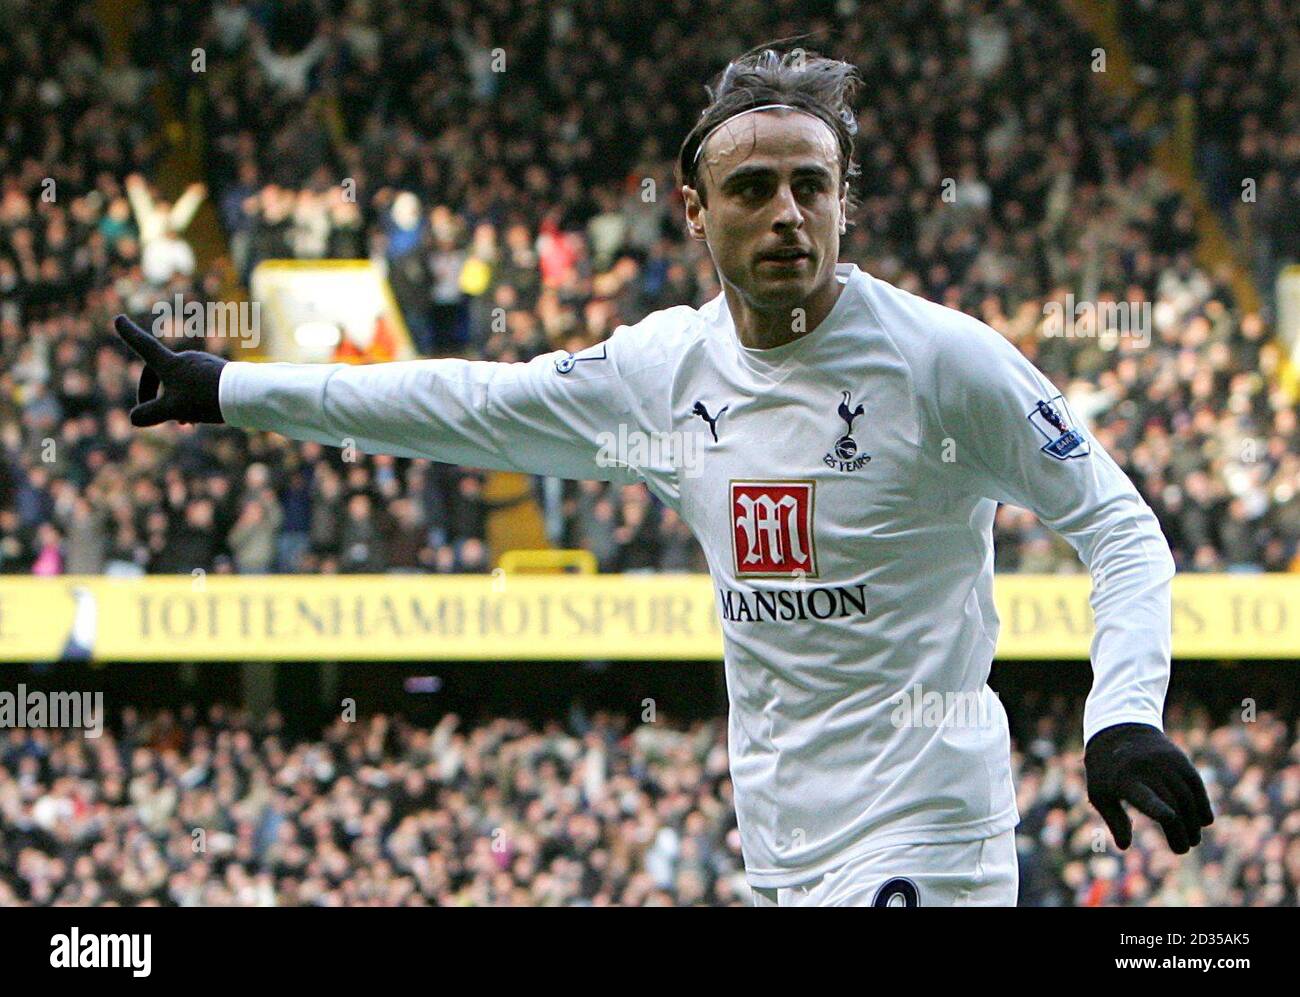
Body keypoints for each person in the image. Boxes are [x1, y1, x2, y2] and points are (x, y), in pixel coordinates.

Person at [112, 44, 1212, 907]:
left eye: (810, 186)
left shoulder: (942, 362)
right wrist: (230, 390)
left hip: (931, 833)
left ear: (844, 202)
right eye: (752, 189)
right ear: (694, 210)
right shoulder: (659, 370)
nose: (786, 213)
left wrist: (1119, 713)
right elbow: (469, 405)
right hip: (779, 844)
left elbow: (1118, 527)